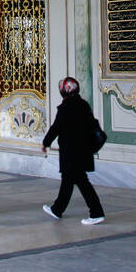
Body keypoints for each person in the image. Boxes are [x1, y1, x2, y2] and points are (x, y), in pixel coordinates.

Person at [41, 77, 105, 225]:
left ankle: (96, 213)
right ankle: (57, 209)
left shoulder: (66, 107)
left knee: (81, 182)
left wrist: (46, 142)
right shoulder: (83, 104)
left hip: (72, 151)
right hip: (83, 149)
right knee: (68, 180)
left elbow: (56, 127)